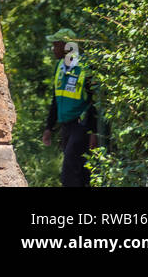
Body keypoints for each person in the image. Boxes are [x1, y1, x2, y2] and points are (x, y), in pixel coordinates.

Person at [42, 30, 98, 186]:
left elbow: (94, 101)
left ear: (67, 46)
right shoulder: (60, 67)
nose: (53, 49)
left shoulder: (85, 68)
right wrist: (49, 127)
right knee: (80, 170)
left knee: (68, 171)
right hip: (66, 126)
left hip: (81, 125)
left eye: (55, 45)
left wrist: (94, 132)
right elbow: (56, 99)